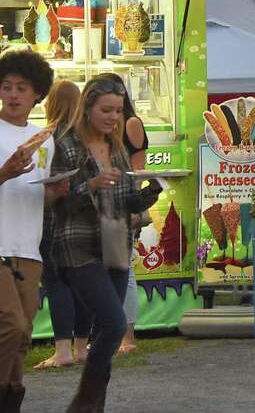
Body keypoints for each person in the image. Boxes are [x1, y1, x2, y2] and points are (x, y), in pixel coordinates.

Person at [52, 76, 162, 412]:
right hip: (78, 245)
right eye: (106, 110)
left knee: (107, 331)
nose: (114, 117)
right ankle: (83, 404)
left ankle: (92, 404)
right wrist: (93, 184)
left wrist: (150, 192)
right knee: (115, 323)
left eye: (118, 110)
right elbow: (58, 201)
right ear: (87, 107)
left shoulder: (115, 147)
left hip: (115, 244)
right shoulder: (67, 144)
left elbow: (127, 201)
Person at [0, 51, 58, 413]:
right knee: (11, 324)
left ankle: (11, 398)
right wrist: (5, 171)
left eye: (21, 88)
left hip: (29, 245)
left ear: (37, 93)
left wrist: (58, 191)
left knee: (23, 336)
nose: (13, 94)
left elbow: (42, 192)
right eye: (6, 87)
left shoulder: (44, 139)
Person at [34, 80, 90, 372]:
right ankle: (81, 346)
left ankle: (62, 350)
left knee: (56, 282)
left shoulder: (48, 136)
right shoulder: (86, 136)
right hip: (82, 221)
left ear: (49, 103)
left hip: (53, 218)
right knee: (79, 284)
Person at [94, 73, 146, 357]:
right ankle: (111, 333)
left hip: (124, 202)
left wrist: (132, 203)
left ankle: (128, 335)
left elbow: (137, 167)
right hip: (105, 201)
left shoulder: (131, 123)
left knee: (125, 269)